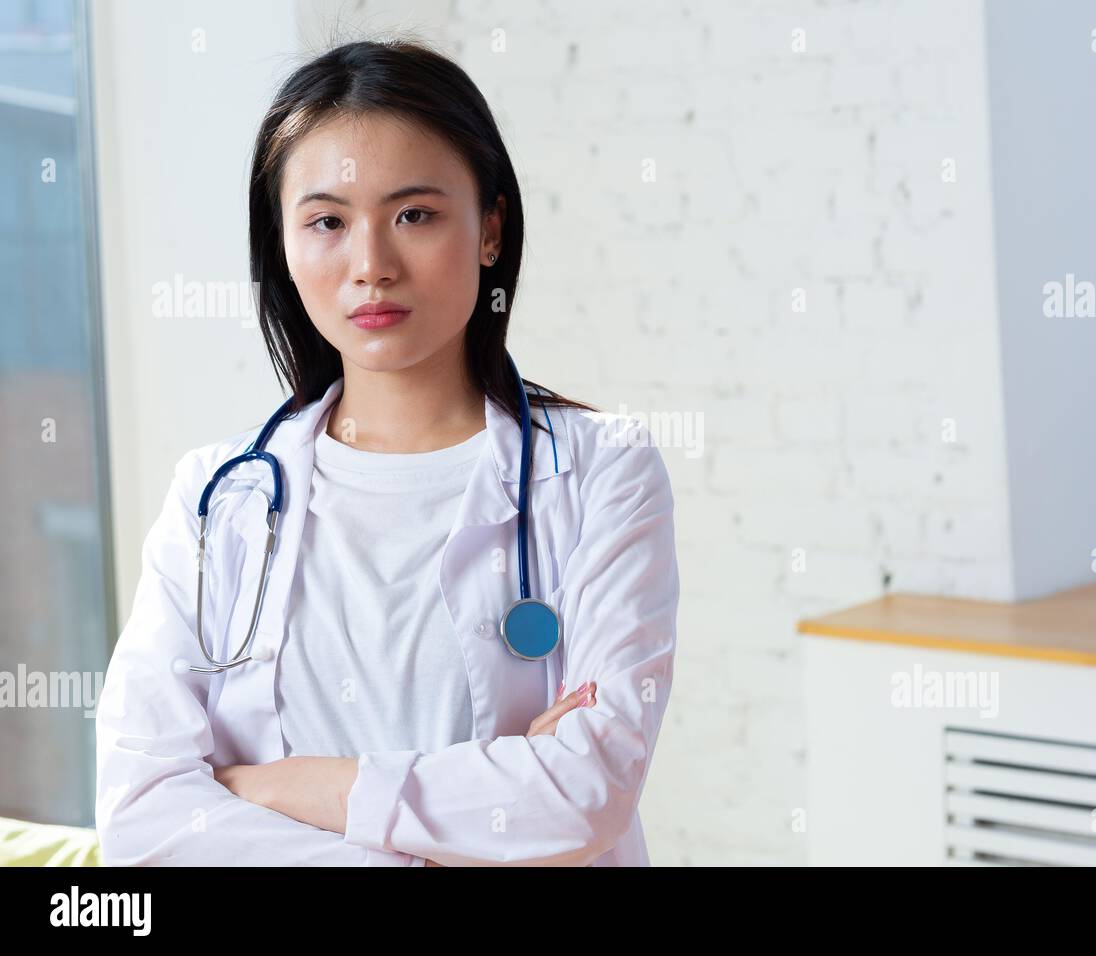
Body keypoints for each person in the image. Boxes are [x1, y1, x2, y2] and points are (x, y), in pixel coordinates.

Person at [94, 38, 680, 867]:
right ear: (285, 246)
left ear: (489, 230)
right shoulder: (216, 499)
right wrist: (470, 822)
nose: (371, 266)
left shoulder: (602, 472)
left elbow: (583, 798)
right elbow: (143, 820)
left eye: (415, 214)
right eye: (328, 221)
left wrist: (276, 786)